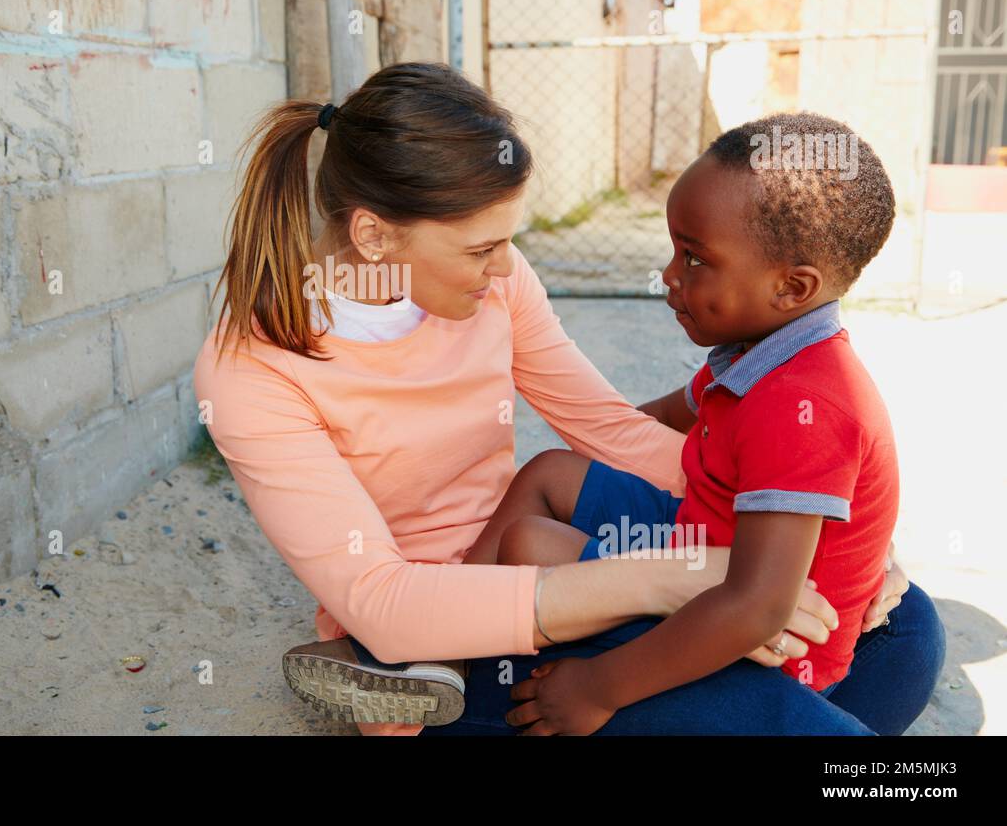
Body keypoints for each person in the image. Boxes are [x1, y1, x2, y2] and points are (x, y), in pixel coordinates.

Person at [192, 63, 941, 736]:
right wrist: (682, 582)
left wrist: (817, 527)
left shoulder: (496, 276)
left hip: (535, 548)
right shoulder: (250, 373)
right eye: (481, 250)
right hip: (438, 627)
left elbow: (605, 427)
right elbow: (386, 599)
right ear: (374, 236)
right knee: (767, 707)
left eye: (506, 243)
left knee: (907, 634)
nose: (505, 268)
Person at [454, 112, 927, 734]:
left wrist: (599, 687)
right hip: (700, 546)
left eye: (697, 259)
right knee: (549, 475)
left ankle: (487, 671)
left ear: (793, 287)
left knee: (531, 545)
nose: (670, 277)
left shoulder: (804, 404)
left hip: (757, 646)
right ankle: (449, 643)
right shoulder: (755, 354)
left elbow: (757, 610)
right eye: (676, 249)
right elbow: (653, 423)